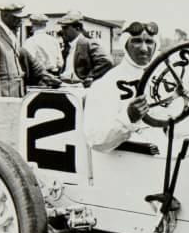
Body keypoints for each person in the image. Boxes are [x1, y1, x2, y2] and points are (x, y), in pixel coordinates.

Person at [84, 20, 161, 152]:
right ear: (125, 45)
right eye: (136, 41)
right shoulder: (105, 84)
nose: (144, 49)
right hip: (131, 160)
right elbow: (94, 139)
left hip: (169, 153)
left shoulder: (165, 78)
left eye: (149, 42)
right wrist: (128, 118)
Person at [58, 10, 115, 87]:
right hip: (65, 85)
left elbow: (107, 61)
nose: (63, 31)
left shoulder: (87, 43)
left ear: (77, 28)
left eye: (65, 28)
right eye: (62, 28)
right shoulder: (68, 46)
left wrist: (91, 76)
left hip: (79, 87)